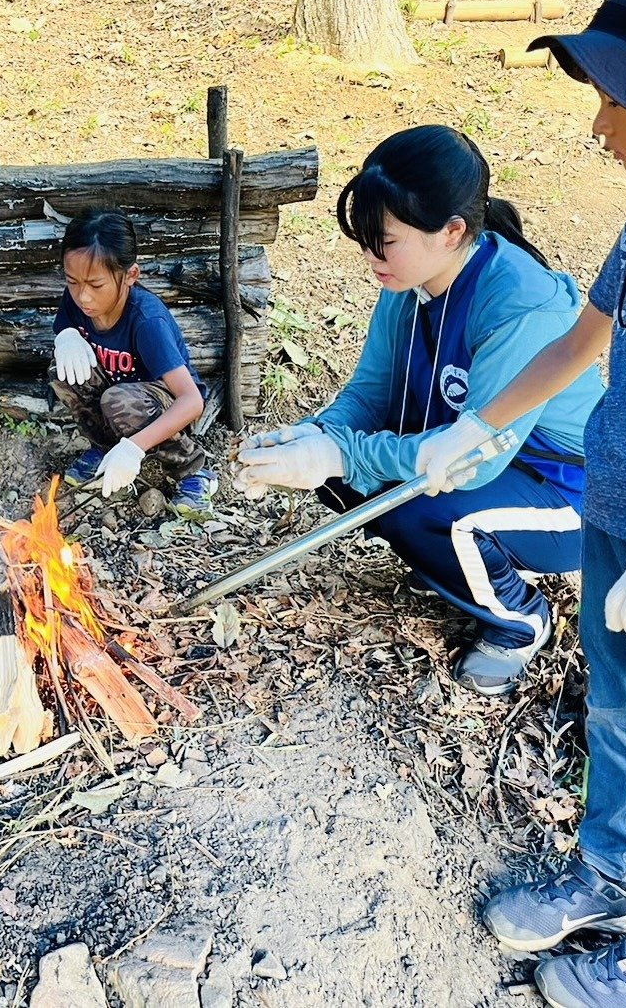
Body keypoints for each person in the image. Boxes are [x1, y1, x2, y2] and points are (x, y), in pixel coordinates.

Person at [418, 0, 626, 1008]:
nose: (597, 121)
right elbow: (578, 342)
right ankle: (605, 876)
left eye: (614, 97)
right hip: (616, 511)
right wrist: (477, 424)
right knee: (616, 714)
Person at [232, 125, 605, 695]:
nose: (369, 256)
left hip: (569, 491)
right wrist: (308, 439)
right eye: (364, 239)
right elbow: (371, 394)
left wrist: (338, 453)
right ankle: (461, 563)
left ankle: (520, 620)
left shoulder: (519, 306)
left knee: (420, 510)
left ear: (452, 231)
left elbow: (474, 462)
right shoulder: (411, 280)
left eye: (385, 240)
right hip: (484, 460)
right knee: (345, 477)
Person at [50, 209, 216, 515]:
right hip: (118, 398)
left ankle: (193, 470)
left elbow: (192, 401)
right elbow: (65, 324)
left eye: (95, 285)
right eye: (72, 281)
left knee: (119, 400)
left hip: (165, 406)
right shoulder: (76, 301)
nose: (83, 297)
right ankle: (105, 449)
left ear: (130, 275)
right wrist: (66, 335)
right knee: (62, 370)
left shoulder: (146, 321)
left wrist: (134, 448)